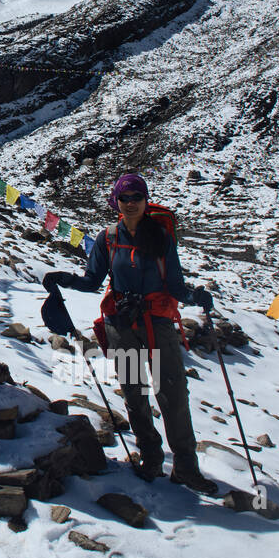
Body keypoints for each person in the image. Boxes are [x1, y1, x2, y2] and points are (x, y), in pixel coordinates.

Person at [43, 173, 219, 494]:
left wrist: (196, 296)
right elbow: (92, 281)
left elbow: (176, 285)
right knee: (135, 393)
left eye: (138, 196)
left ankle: (185, 466)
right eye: (125, 198)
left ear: (146, 199)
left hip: (157, 325)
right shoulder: (107, 238)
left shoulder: (161, 238)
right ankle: (150, 456)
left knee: (173, 395)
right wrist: (64, 279)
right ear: (117, 202)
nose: (131, 202)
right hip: (121, 325)